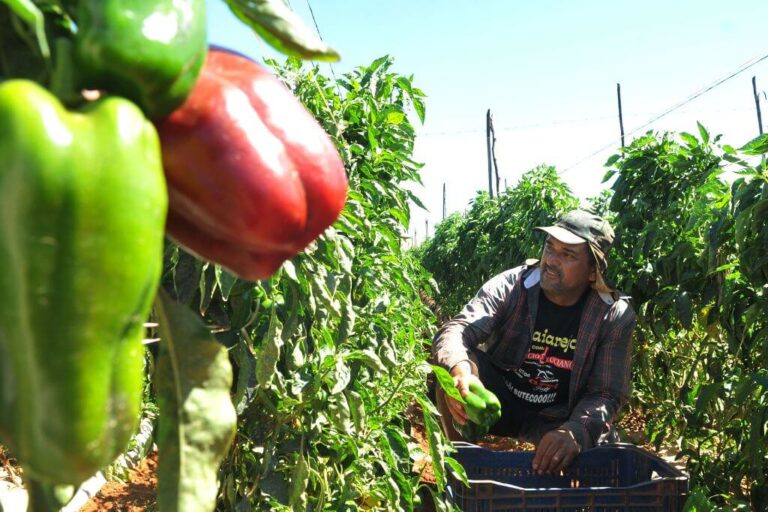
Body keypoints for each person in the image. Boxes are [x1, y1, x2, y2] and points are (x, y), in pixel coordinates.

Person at [432, 210, 636, 475]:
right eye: (550, 247)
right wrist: (459, 370)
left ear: (592, 271)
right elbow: (457, 329)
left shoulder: (613, 315)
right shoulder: (514, 285)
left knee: (605, 453)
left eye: (568, 254)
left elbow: (606, 392)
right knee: (451, 373)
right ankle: (461, 470)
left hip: (557, 414)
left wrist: (574, 432)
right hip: (501, 399)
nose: (551, 260)